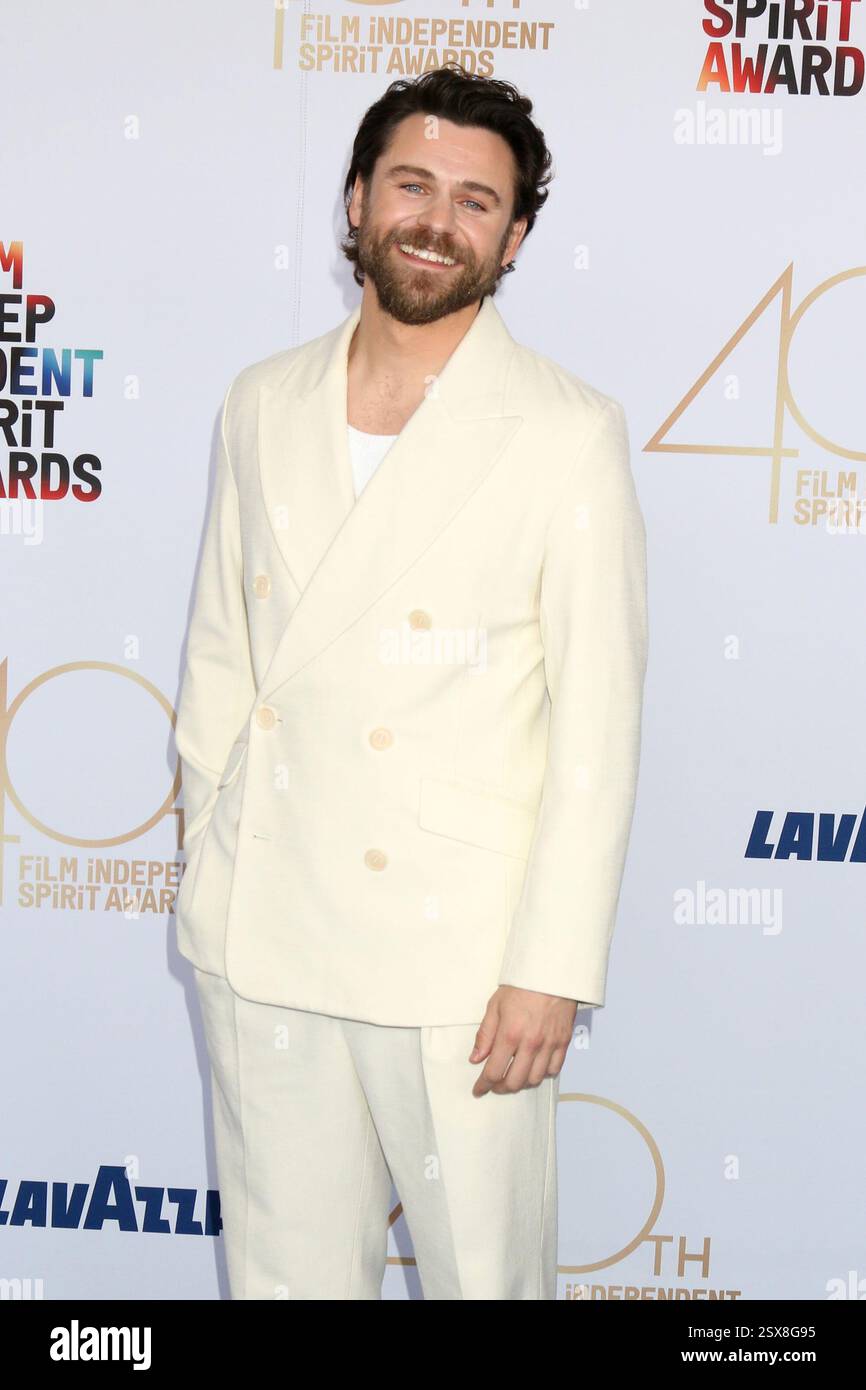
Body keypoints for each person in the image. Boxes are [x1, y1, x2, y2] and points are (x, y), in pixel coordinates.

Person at [174, 62, 648, 1300]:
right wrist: (210, 855)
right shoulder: (259, 402)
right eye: (412, 184)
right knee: (285, 1276)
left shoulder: (563, 429)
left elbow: (595, 720)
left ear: (516, 236)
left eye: (476, 202)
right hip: (265, 926)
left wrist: (552, 966)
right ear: (355, 200)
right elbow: (223, 655)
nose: (436, 220)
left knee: (483, 1279)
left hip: (463, 961)